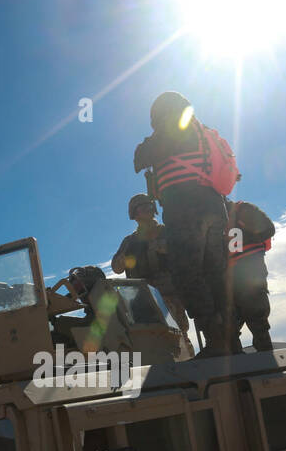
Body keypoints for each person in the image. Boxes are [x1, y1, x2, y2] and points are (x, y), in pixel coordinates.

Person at [133, 91, 236, 356]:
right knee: (214, 273)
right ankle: (231, 341)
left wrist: (148, 143)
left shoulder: (172, 125)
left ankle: (216, 341)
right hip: (213, 205)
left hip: (185, 207)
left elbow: (141, 157)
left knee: (186, 273)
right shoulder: (202, 130)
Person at [111, 193, 190, 335]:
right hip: (142, 299)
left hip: (170, 295)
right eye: (142, 208)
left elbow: (186, 254)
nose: (148, 210)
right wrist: (121, 261)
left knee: (177, 335)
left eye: (149, 207)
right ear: (134, 214)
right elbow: (116, 268)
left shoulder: (167, 232)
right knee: (150, 338)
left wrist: (166, 248)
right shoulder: (129, 242)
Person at [225, 199, 275, 352]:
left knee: (257, 319)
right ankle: (237, 364)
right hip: (229, 276)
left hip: (249, 271)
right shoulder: (214, 216)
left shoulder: (241, 210)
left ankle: (266, 360)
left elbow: (268, 230)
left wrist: (247, 237)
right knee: (229, 325)